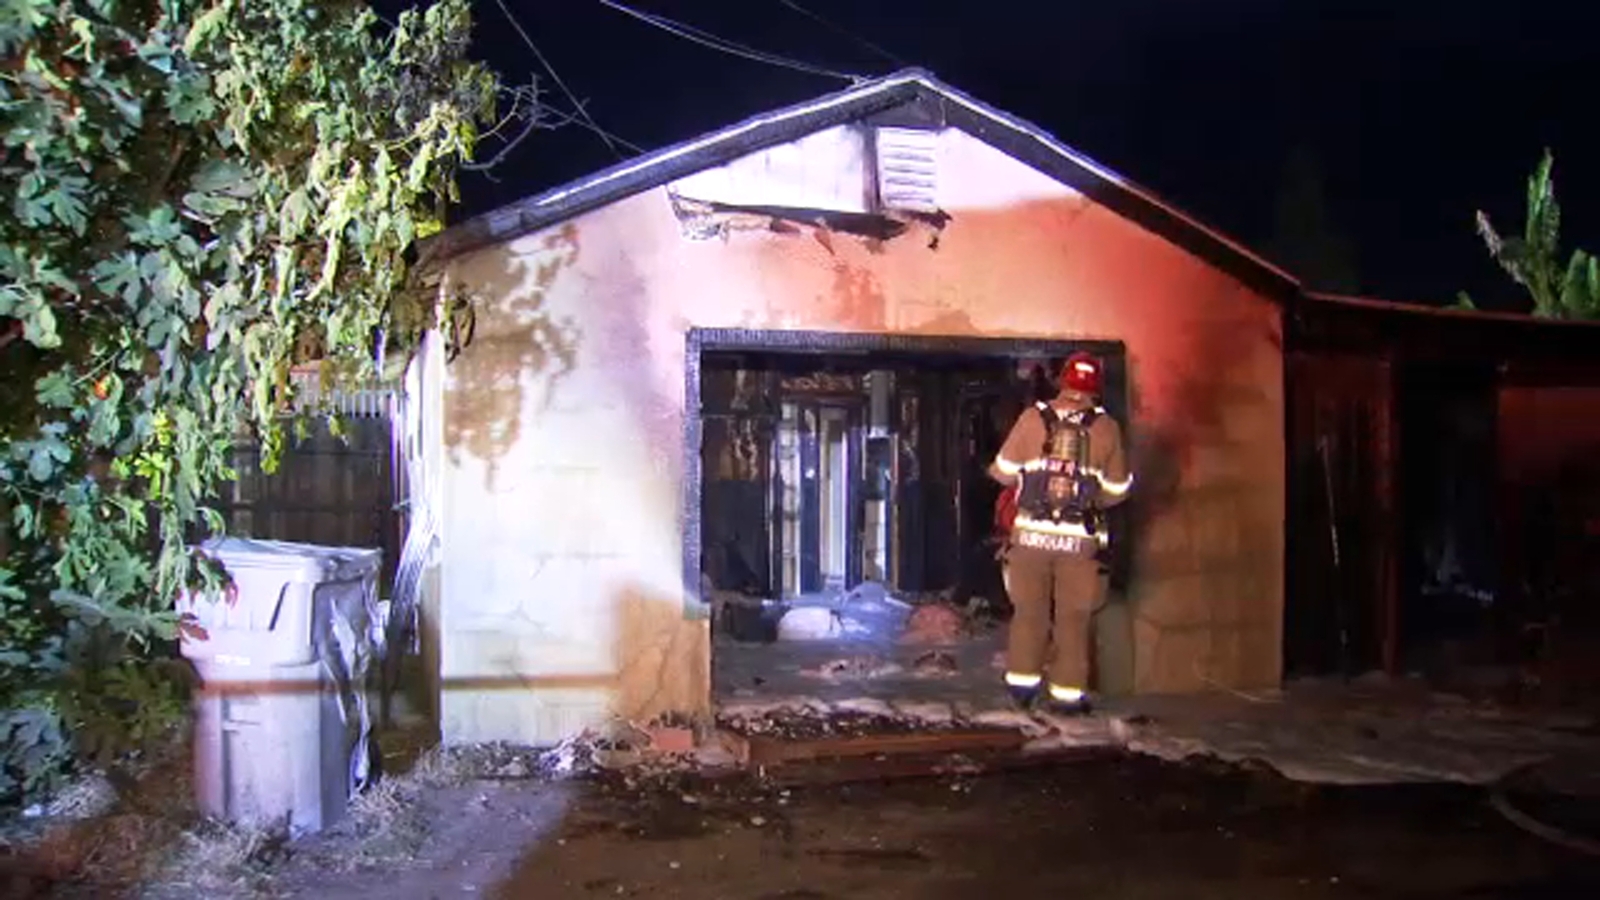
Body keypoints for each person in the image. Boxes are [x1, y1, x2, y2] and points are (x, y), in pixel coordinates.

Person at [988, 351, 1133, 714]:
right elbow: (1118, 491)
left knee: (1029, 614)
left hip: (1030, 539)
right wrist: (1090, 499)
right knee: (1073, 619)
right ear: (1096, 388)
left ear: (1062, 380)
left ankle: (1022, 690)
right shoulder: (1107, 428)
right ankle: (1067, 697)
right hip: (1079, 542)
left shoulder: (1031, 418)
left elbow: (1003, 472)